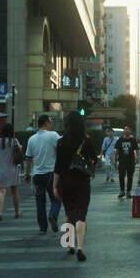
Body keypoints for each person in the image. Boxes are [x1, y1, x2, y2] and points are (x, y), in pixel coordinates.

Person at [53, 111, 100, 261]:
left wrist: (55, 186)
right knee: (81, 214)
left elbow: (58, 166)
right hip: (82, 181)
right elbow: (95, 159)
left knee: (69, 212)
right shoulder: (86, 140)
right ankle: (80, 247)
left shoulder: (61, 142)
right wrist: (88, 165)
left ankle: (68, 244)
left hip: (65, 181)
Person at [23, 115, 63, 235]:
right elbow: (61, 150)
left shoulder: (31, 139)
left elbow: (28, 159)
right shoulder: (54, 135)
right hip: (51, 173)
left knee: (40, 202)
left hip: (37, 175)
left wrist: (27, 174)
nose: (52, 124)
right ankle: (53, 216)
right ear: (46, 123)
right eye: (51, 122)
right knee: (56, 198)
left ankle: (42, 227)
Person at [0, 123, 22, 221]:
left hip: (1, 170)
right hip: (13, 170)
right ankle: (17, 212)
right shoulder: (14, 141)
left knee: (2, 191)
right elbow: (20, 154)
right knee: (15, 191)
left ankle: (0, 212)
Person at [114, 125, 139, 199]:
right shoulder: (120, 140)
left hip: (131, 161)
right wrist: (115, 159)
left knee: (130, 177)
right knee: (121, 176)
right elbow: (117, 150)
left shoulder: (133, 140)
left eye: (128, 129)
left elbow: (136, 150)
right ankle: (122, 191)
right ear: (124, 131)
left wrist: (137, 157)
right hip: (122, 161)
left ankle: (128, 192)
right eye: (125, 129)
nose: (127, 130)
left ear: (130, 131)